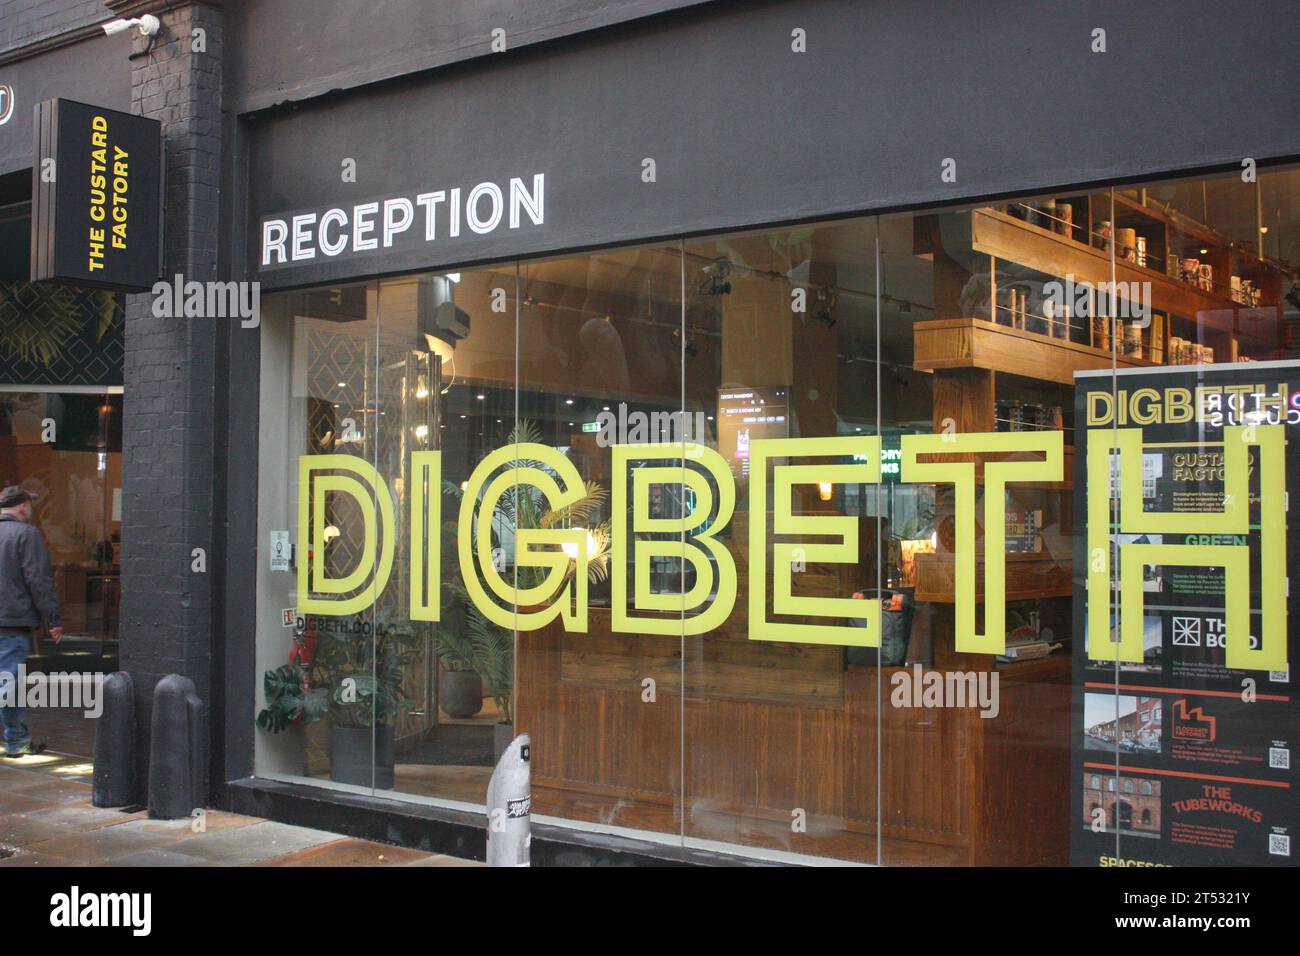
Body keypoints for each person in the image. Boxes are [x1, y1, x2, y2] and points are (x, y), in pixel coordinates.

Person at [0, 485, 63, 757]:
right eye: (30, 505)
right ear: (23, 506)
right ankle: (15, 741)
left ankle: (17, 739)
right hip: (12, 623)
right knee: (9, 683)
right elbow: (38, 580)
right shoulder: (27, 534)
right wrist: (53, 619)